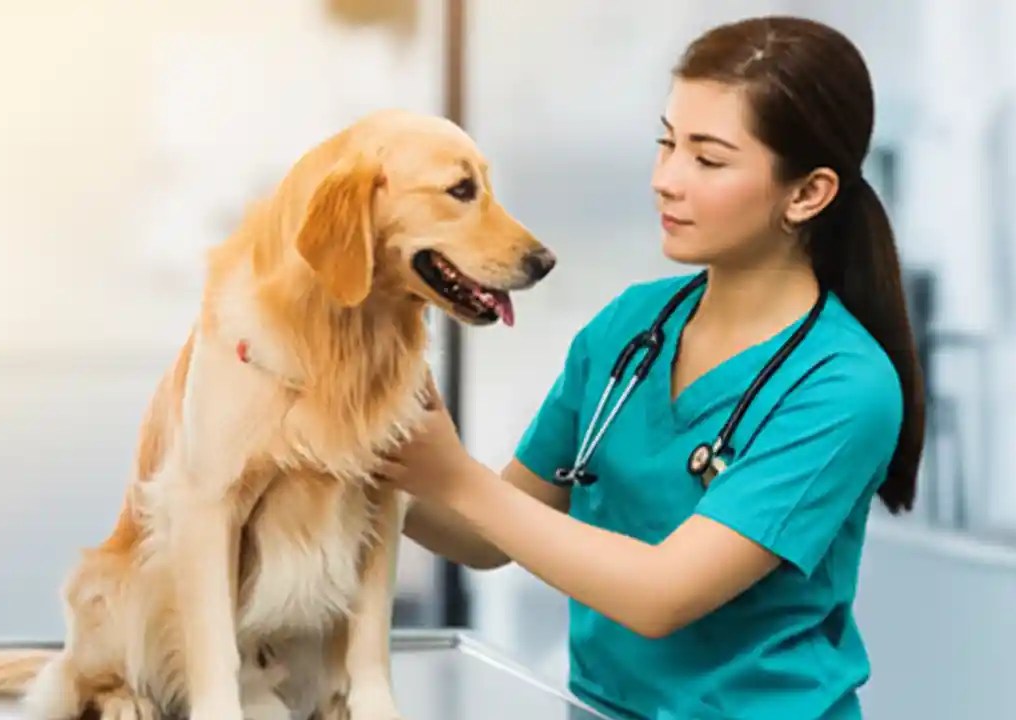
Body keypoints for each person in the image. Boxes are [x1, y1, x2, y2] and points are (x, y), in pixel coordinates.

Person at [376, 15, 925, 720]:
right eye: (666, 143)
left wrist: (450, 475)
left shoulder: (844, 386)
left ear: (807, 193)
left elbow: (660, 595)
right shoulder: (630, 328)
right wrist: (365, 453)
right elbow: (487, 537)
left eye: (709, 159)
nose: (666, 180)